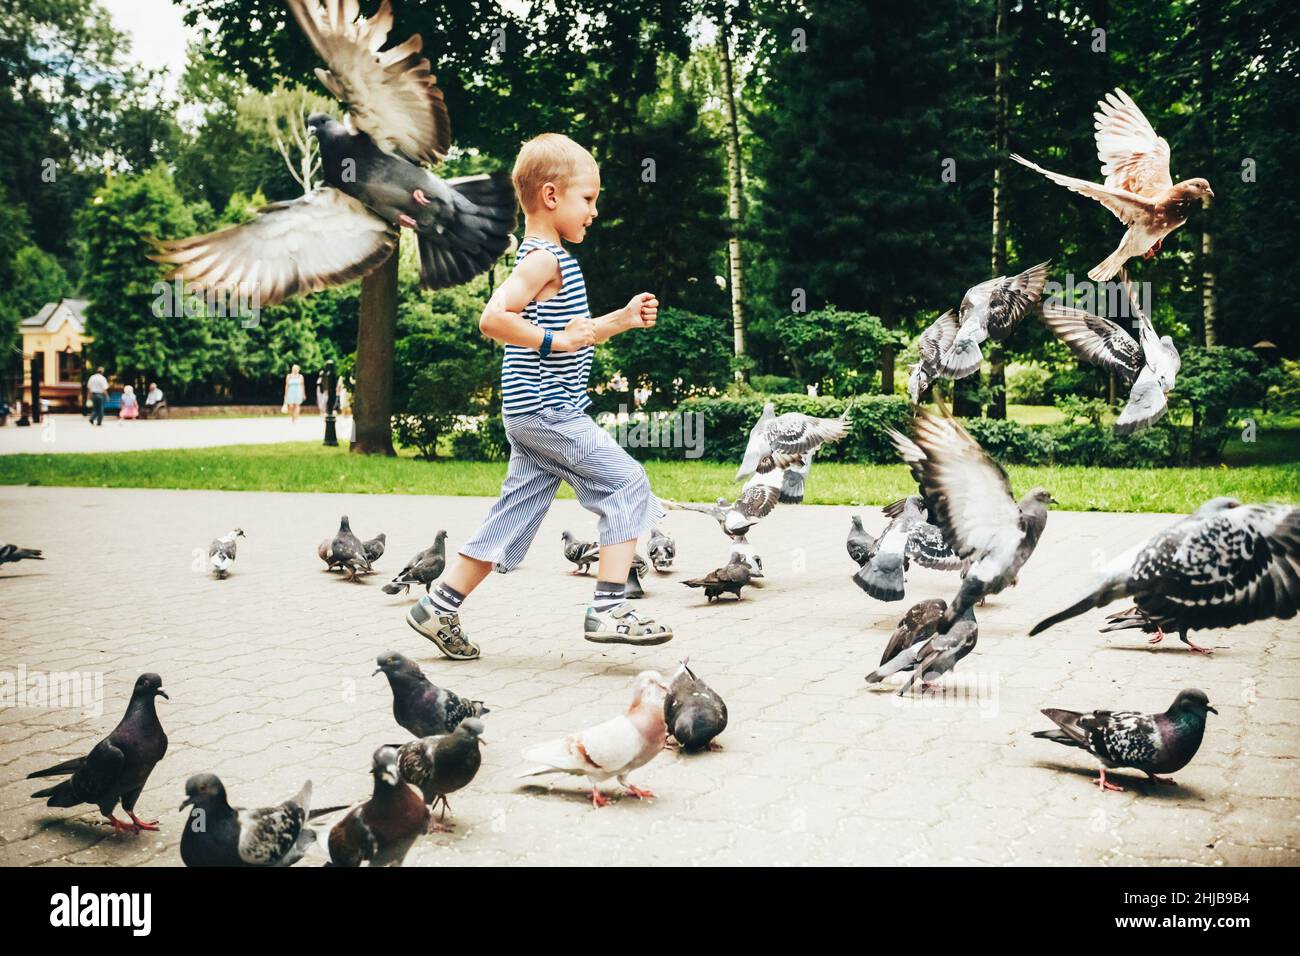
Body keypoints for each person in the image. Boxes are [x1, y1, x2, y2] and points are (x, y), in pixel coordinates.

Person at [405, 133, 670, 661]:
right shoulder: (543, 259)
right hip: (548, 412)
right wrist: (554, 340)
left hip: (533, 415)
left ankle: (439, 604)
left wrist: (619, 320)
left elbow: (572, 329)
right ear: (551, 196)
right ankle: (609, 608)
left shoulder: (550, 260)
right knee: (627, 483)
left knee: (513, 514)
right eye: (588, 199)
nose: (595, 211)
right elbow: (493, 318)